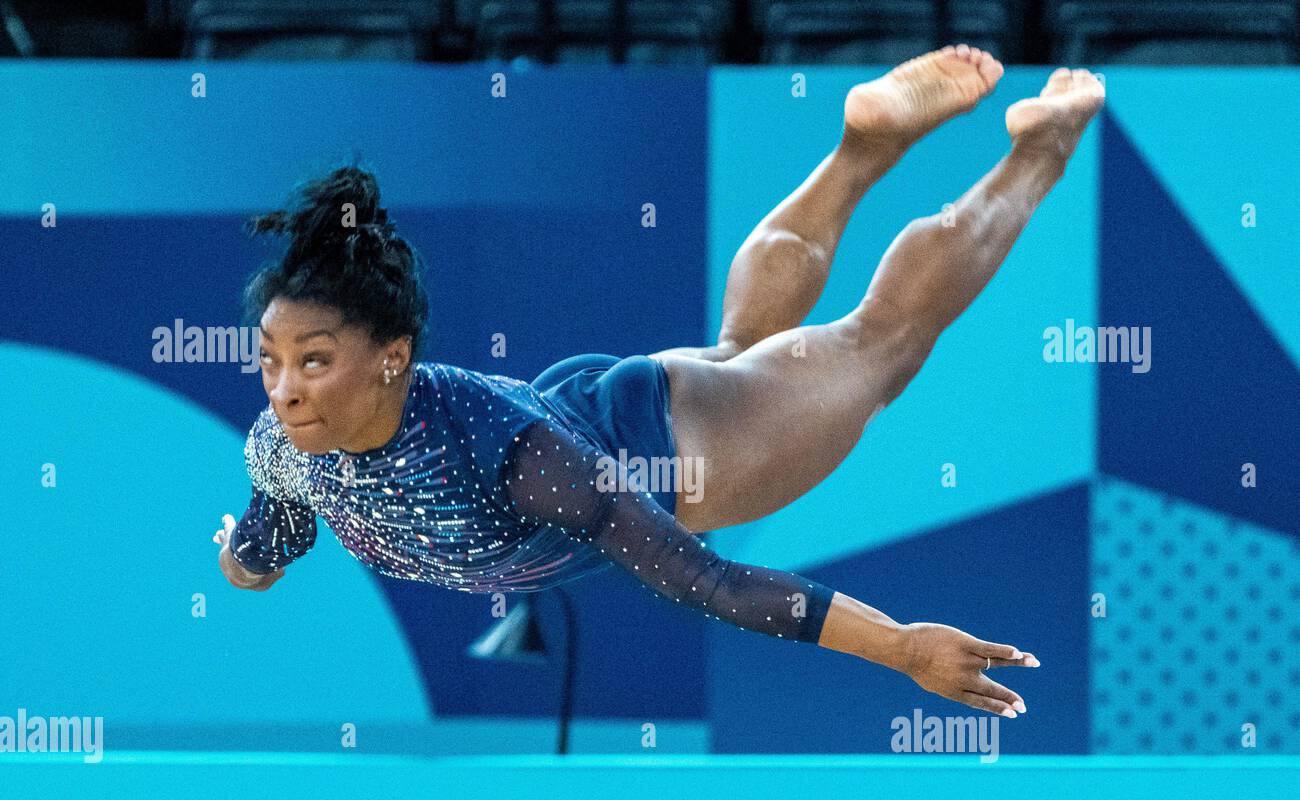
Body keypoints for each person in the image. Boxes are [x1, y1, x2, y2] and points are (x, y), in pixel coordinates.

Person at [215, 47, 1105, 717]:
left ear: (393, 355)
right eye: (272, 361)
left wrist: (900, 646)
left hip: (684, 455)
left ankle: (1041, 151)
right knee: (745, 347)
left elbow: (702, 581)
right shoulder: (283, 450)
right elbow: (266, 543)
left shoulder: (512, 457)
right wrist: (241, 559)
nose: (284, 388)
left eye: (315, 360)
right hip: (589, 406)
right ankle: (862, 145)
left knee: (882, 347)